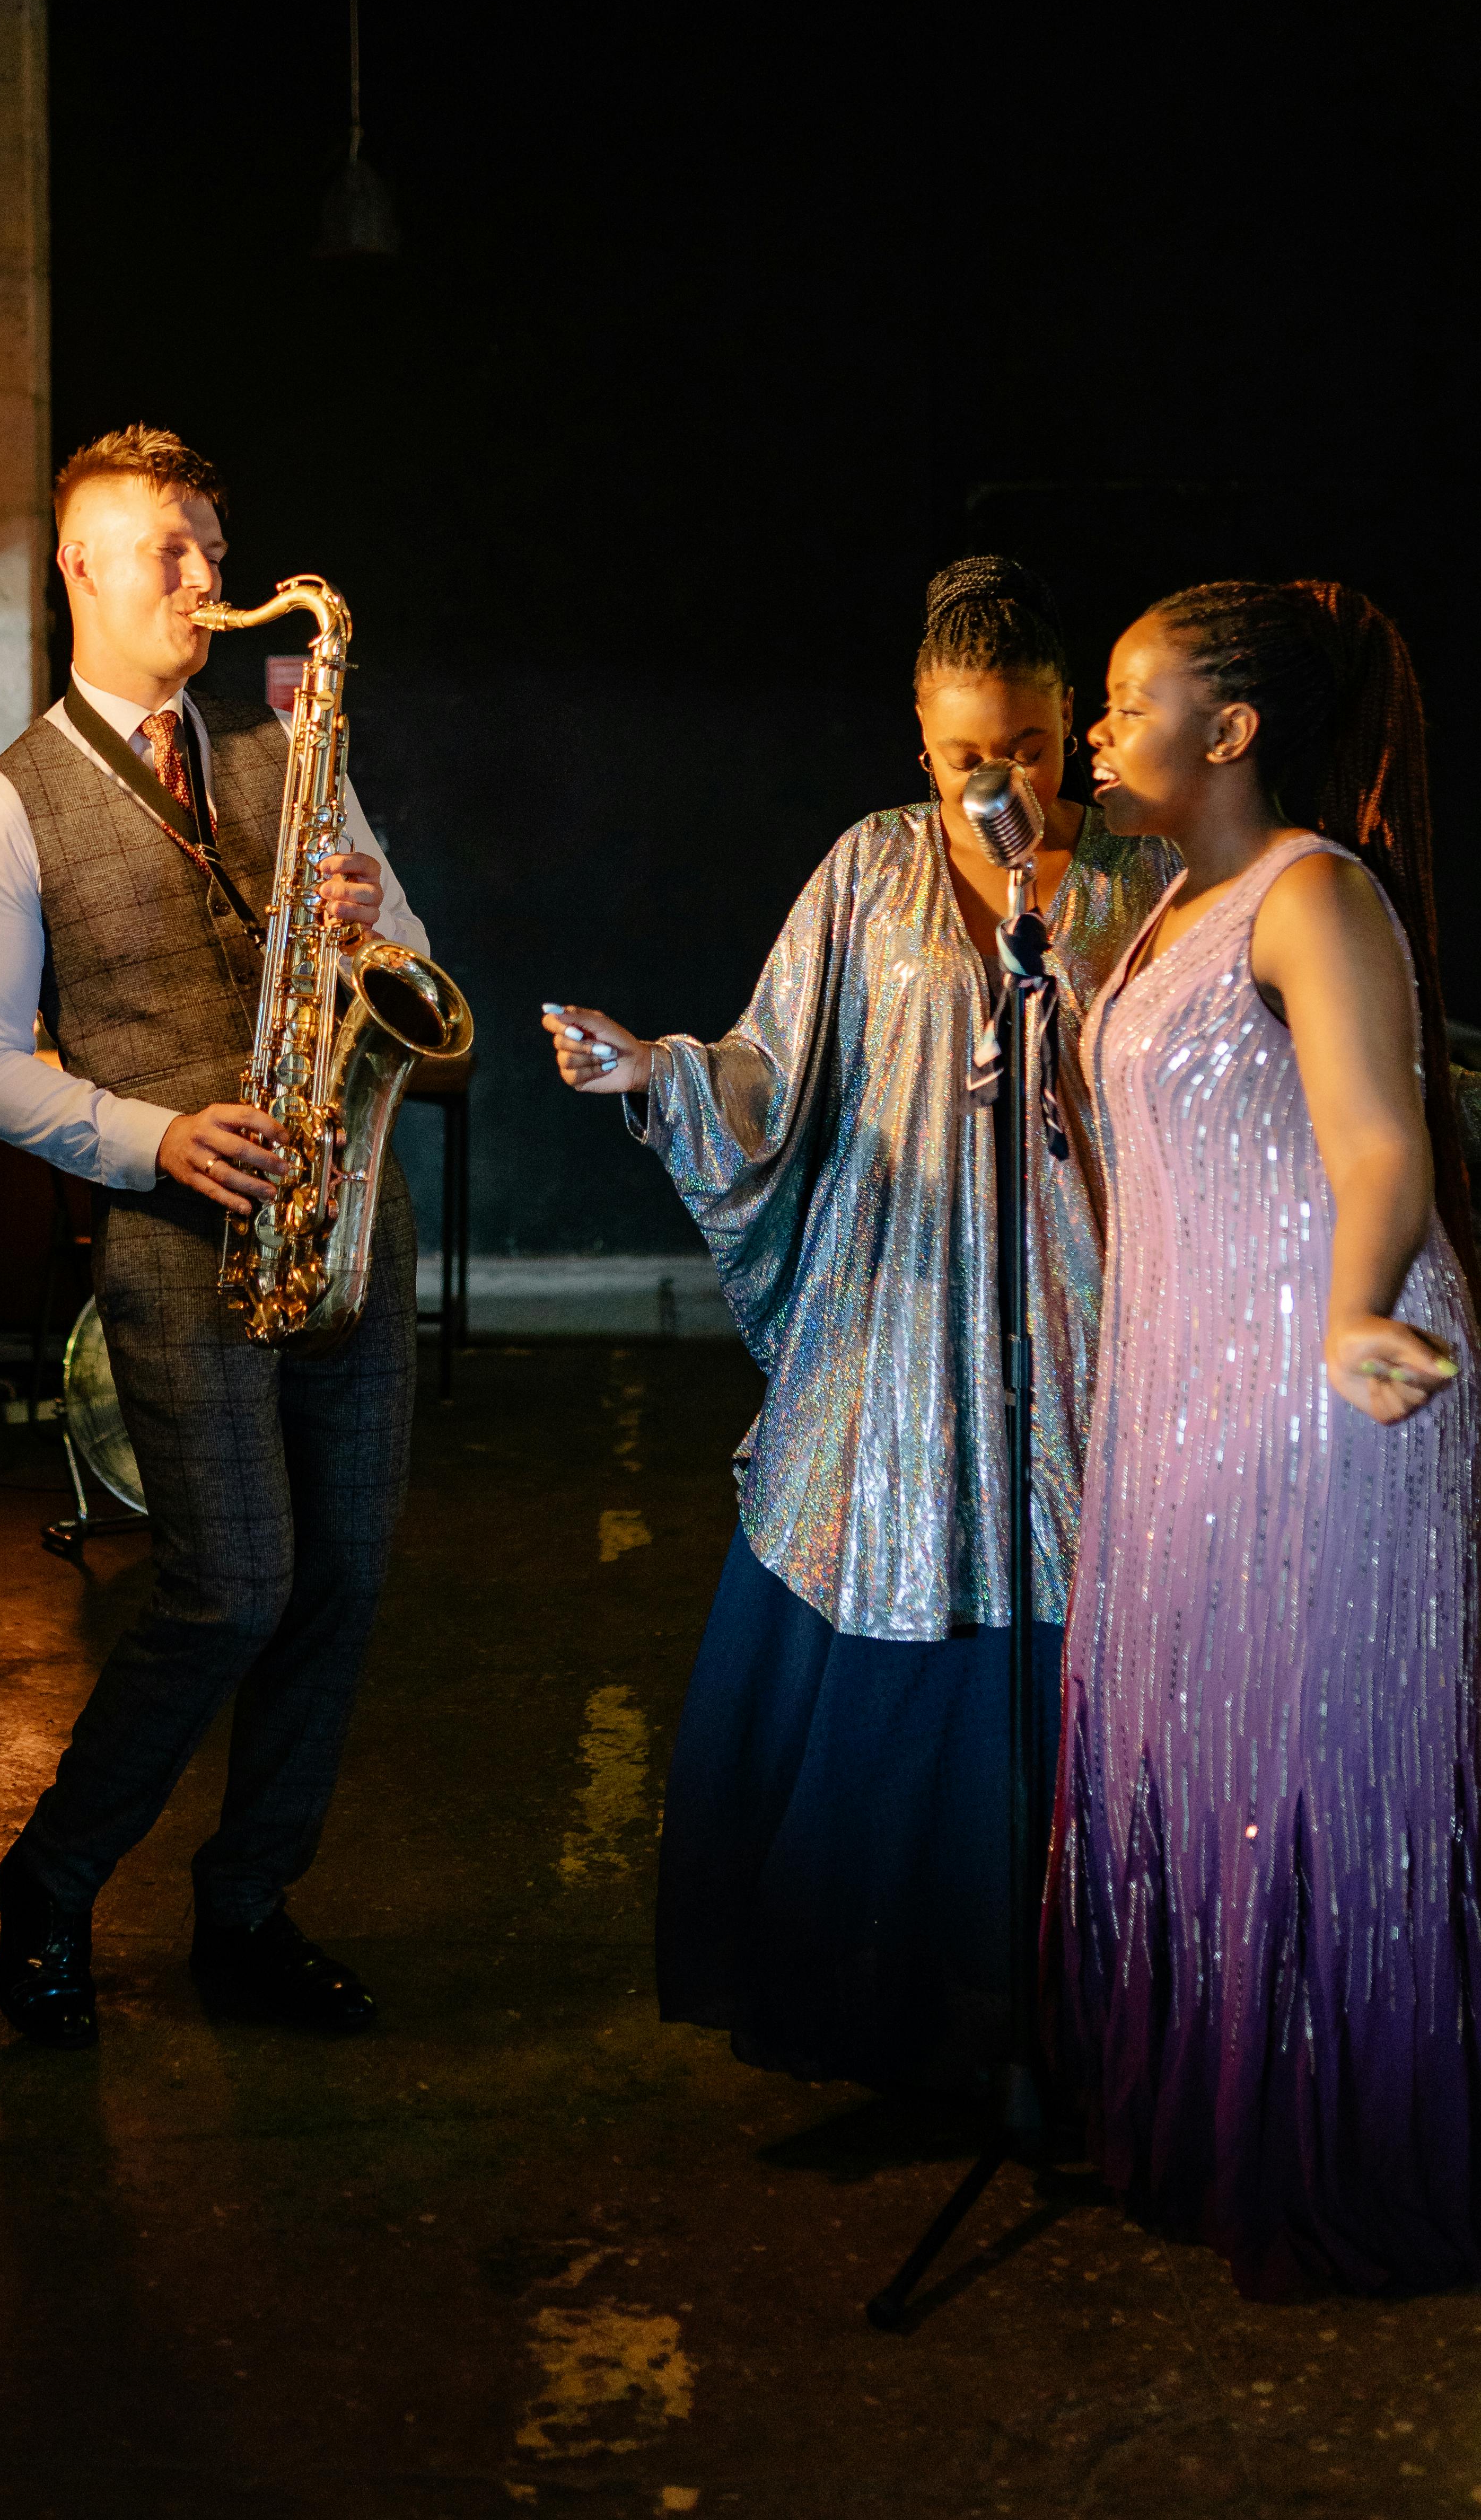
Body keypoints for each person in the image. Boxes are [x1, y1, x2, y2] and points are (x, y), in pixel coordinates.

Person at [542, 557, 1175, 2095]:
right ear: (918, 742)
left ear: (1070, 726)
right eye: (962, 755)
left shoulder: (1142, 880)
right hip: (897, 1330)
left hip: (1091, 1331)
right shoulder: (870, 870)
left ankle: (1069, 2019)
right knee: (889, 1629)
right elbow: (770, 1065)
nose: (993, 783)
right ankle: (888, 2018)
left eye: (1022, 749)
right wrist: (660, 1075)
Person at [0, 424, 428, 2049]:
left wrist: (369, 926)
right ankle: (54, 1882)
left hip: (348, 1227)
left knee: (340, 1588)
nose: (208, 579)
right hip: (180, 1248)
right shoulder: (4, 813)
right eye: (172, 551)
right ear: (81, 567)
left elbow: (419, 969)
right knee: (232, 1589)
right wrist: (154, 1137)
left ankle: (249, 1910)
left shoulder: (297, 764)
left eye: (218, 547)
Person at [1047, 580, 1480, 2295]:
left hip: (1325, 1386)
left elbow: (1381, 1142)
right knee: (1206, 1770)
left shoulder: (1315, 893)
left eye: (1126, 698)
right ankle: (1235, 2114)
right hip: (1186, 1387)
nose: (1095, 726)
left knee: (1311, 1779)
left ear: (1228, 731)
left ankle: (1342, 2136)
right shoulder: (1165, 908)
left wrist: (1360, 1309)